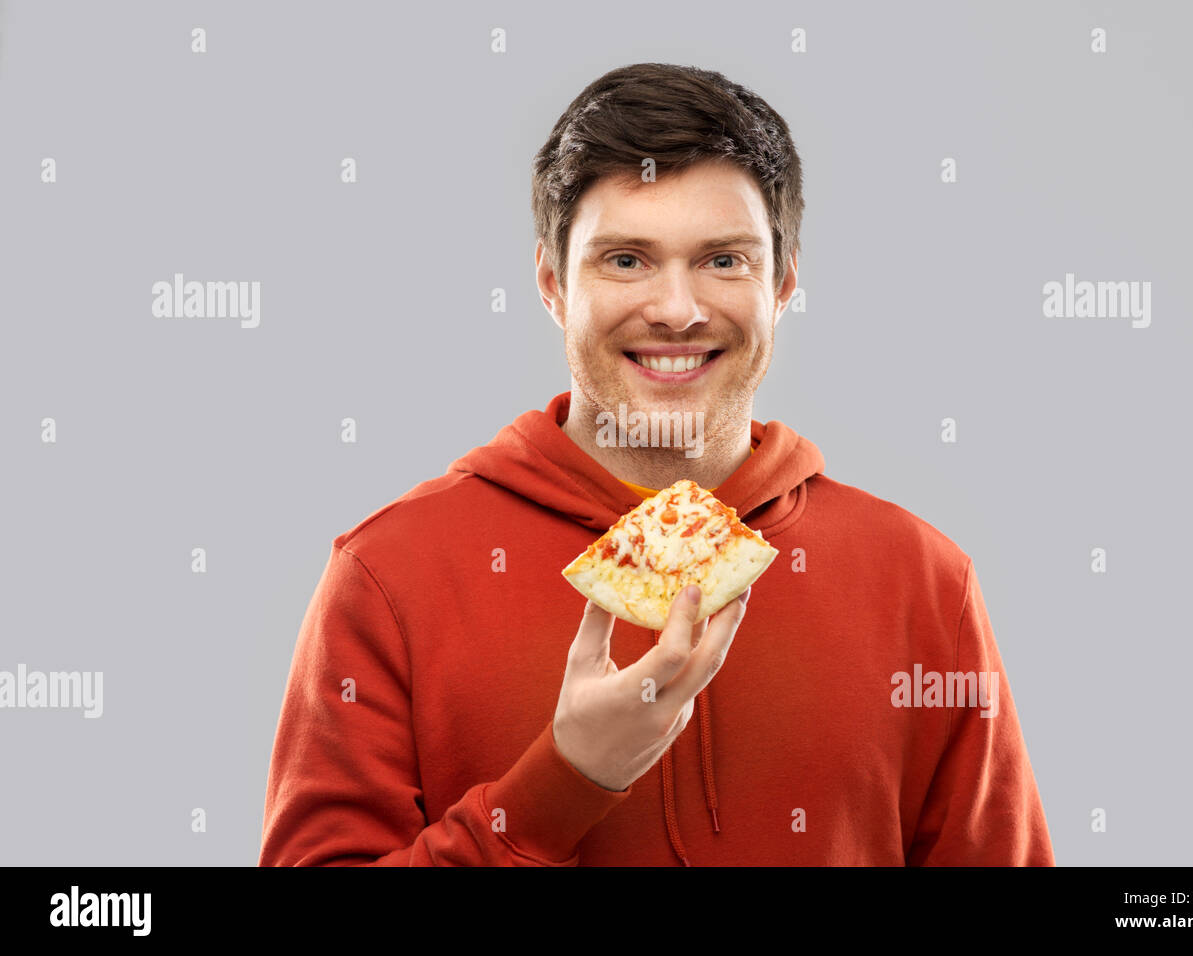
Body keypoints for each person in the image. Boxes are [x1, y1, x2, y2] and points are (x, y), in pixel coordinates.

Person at [258, 62, 1054, 866]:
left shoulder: (922, 580)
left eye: (724, 260)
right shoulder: (390, 574)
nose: (677, 310)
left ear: (782, 283)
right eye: (627, 260)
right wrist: (565, 781)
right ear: (551, 285)